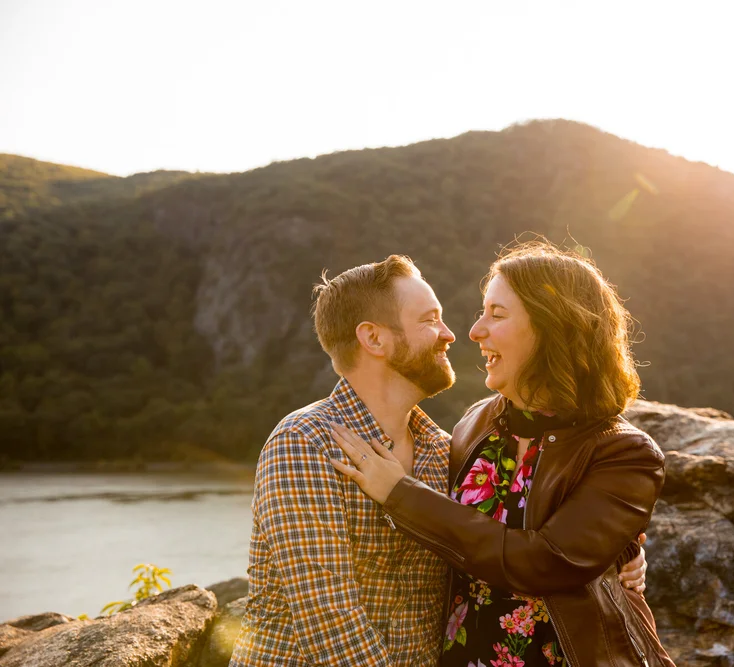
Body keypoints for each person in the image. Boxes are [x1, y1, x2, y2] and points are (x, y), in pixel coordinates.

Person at [228, 253, 648, 667]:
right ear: (374, 338)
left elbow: (513, 537)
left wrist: (619, 551)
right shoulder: (307, 442)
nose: (454, 333)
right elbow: (332, 623)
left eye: (493, 314)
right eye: (430, 320)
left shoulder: (441, 447)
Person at [331, 242, 676, 667]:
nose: (475, 331)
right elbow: (450, 541)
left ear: (553, 327)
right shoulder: (475, 424)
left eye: (496, 314)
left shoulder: (624, 452)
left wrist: (401, 494)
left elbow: (543, 562)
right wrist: (623, 551)